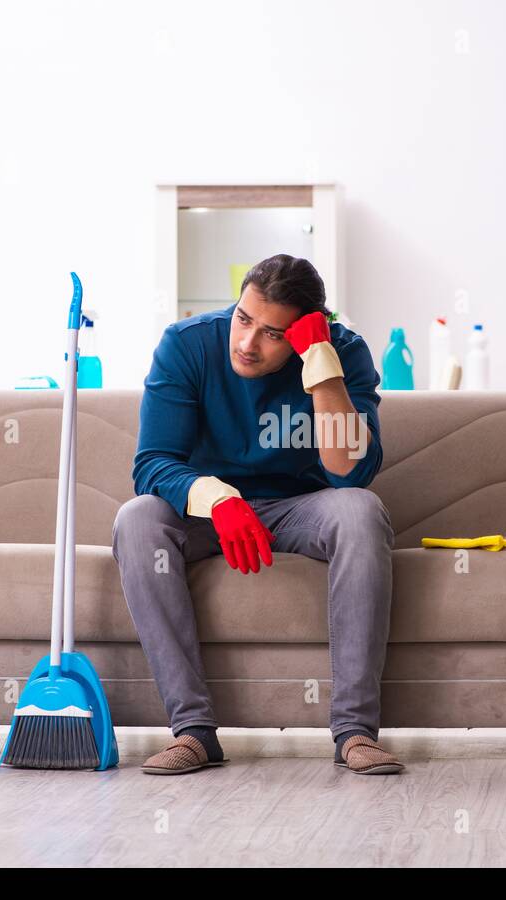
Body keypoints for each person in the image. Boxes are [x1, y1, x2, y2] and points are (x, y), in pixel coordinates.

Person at [112, 254, 403, 775]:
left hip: (302, 508)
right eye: (244, 319)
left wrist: (320, 361)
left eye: (272, 333)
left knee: (361, 512)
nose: (247, 344)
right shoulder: (188, 344)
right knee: (137, 518)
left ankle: (355, 732)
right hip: (209, 510)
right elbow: (153, 463)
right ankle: (193, 731)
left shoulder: (344, 354)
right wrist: (218, 499)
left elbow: (348, 473)